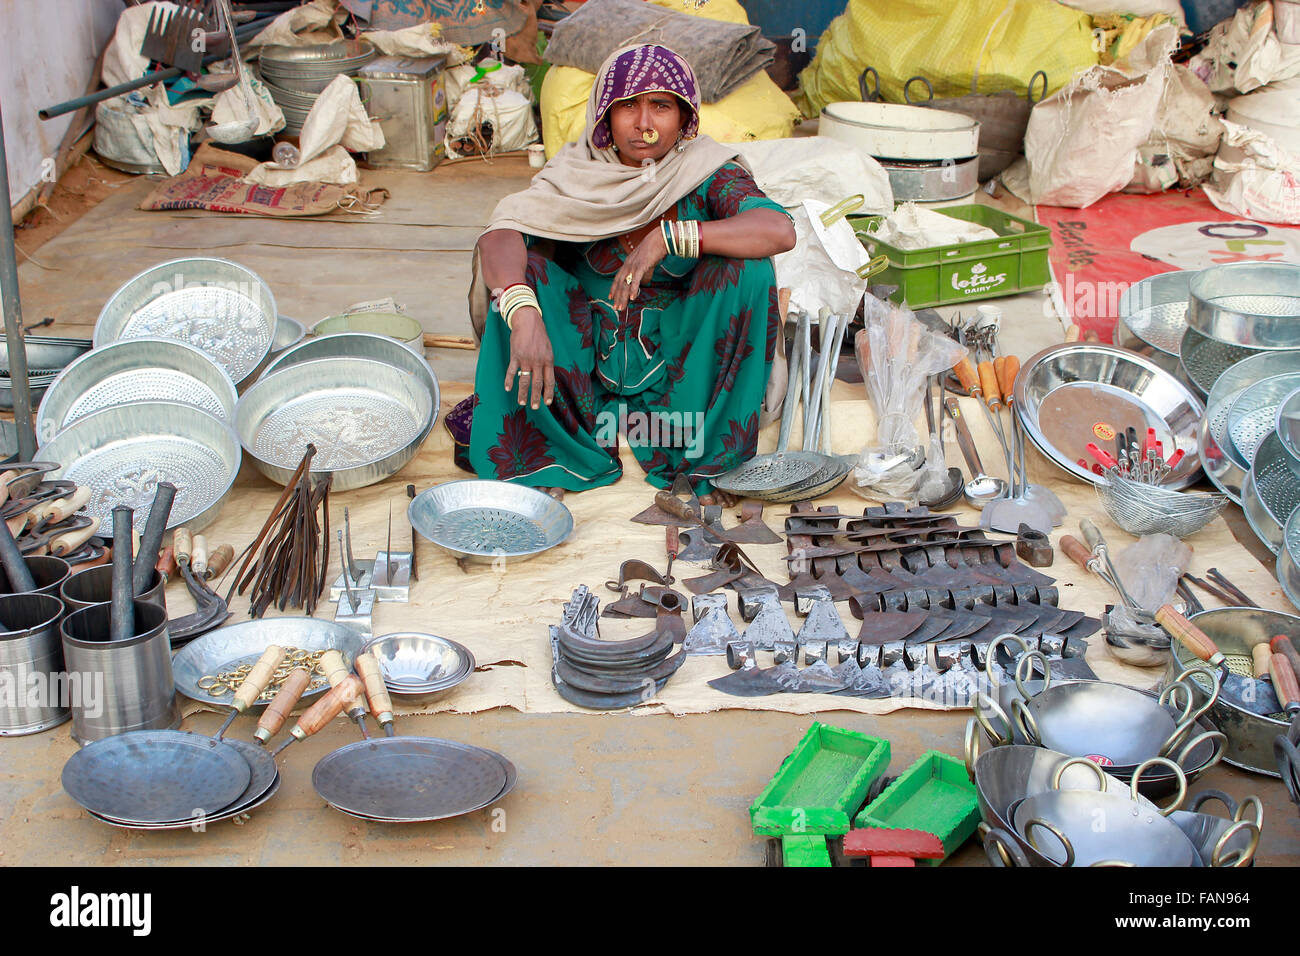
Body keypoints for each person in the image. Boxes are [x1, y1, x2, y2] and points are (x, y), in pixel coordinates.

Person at [466, 43, 796, 504]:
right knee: (522, 279)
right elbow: (500, 235)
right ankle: (551, 452)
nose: (644, 124)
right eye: (627, 106)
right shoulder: (576, 174)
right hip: (583, 369)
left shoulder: (706, 172)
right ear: (604, 117)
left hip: (683, 369)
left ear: (684, 118)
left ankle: (708, 458)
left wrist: (670, 238)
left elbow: (777, 229)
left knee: (748, 269)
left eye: (661, 106)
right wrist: (523, 314)